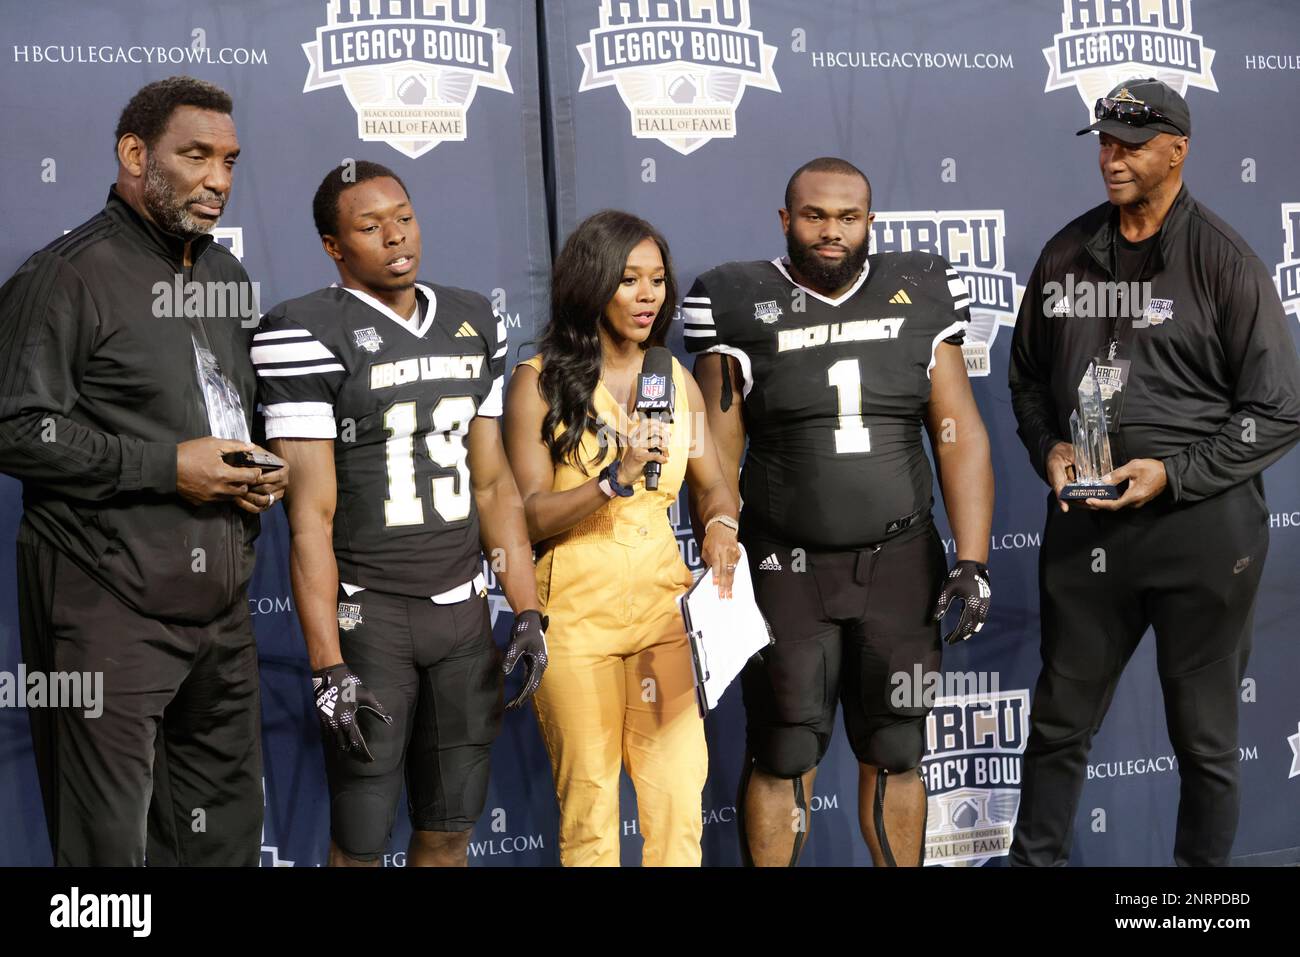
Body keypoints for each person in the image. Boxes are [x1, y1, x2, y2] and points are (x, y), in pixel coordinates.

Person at [1007, 78, 1300, 866]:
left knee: (1204, 742)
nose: (1112, 158)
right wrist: (1049, 451)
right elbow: (1026, 379)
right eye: (1104, 142)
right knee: (1057, 725)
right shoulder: (1065, 252)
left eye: (1132, 146)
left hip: (1199, 535)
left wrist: (1173, 474)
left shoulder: (1226, 261)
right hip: (1085, 526)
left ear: (1178, 149)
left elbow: (1277, 410)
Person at [0, 76, 285, 865]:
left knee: (222, 838)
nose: (219, 180)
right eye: (195, 156)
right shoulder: (65, 275)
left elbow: (222, 413)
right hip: (108, 604)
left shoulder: (227, 278)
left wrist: (256, 466)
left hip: (223, 610)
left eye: (229, 160)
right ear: (134, 154)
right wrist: (166, 467)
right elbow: (13, 426)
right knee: (108, 857)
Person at [687, 157, 995, 867]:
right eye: (815, 215)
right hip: (785, 565)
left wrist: (973, 558)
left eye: (848, 216)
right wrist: (720, 525)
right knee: (784, 745)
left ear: (871, 222)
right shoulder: (737, 299)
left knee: (897, 746)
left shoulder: (916, 289)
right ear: (785, 219)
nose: (832, 231)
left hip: (900, 562)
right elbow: (714, 451)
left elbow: (959, 430)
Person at [253, 161, 545, 867]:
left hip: (463, 615)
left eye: (404, 217)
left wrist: (528, 608)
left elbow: (493, 484)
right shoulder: (304, 330)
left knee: (450, 828)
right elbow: (310, 516)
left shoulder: (475, 318)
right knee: (360, 838)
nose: (395, 236)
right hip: (371, 616)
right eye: (369, 225)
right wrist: (327, 664)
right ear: (333, 245)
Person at [502, 210, 741, 866]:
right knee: (592, 815)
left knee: (677, 806)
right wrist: (613, 478)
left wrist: (721, 528)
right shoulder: (539, 382)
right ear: (591, 284)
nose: (647, 295)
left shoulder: (673, 377)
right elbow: (528, 515)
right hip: (578, 621)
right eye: (629, 279)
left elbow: (716, 485)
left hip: (664, 616)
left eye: (658, 280)